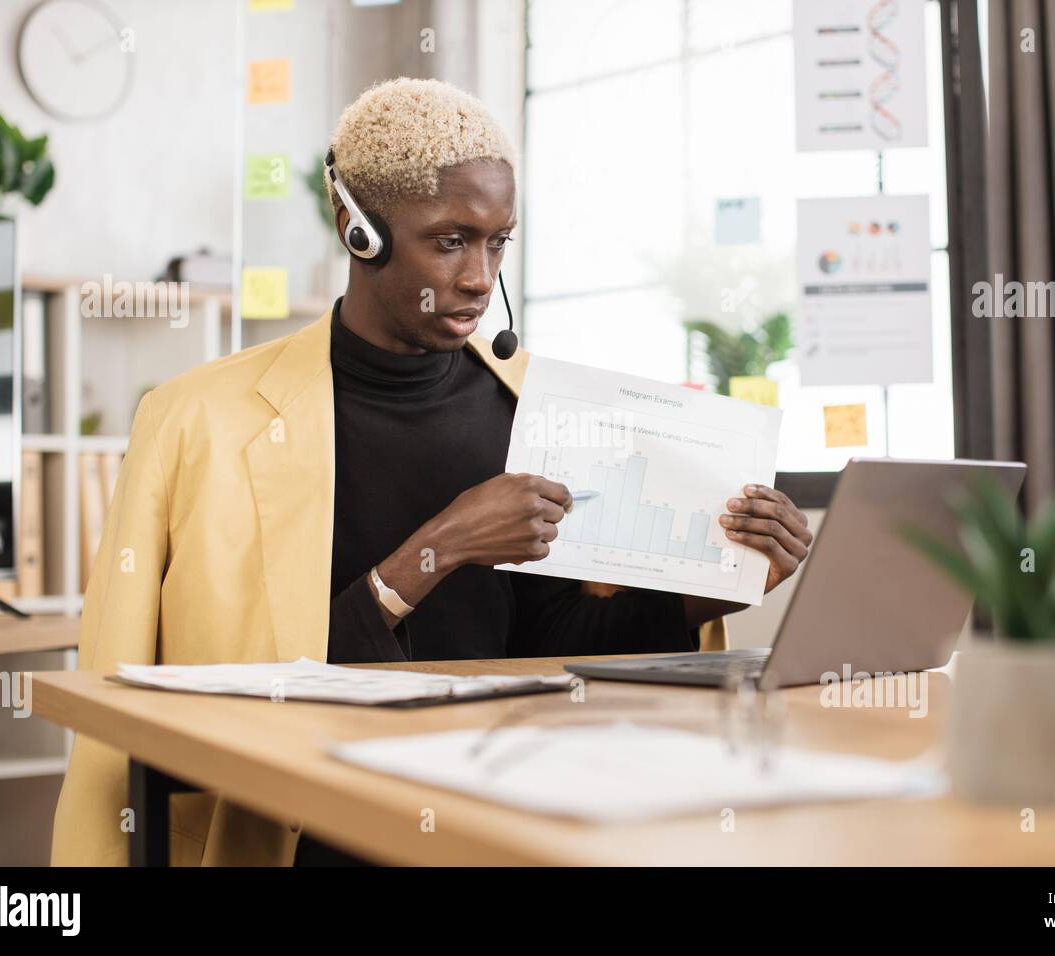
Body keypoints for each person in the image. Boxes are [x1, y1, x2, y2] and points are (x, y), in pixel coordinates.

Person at [50, 77, 812, 867]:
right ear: (359, 230)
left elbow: (549, 649)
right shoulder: (194, 419)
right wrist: (437, 550)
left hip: (495, 819)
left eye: (498, 241)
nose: (481, 277)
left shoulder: (531, 409)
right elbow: (158, 706)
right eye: (450, 240)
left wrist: (710, 588)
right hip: (302, 834)